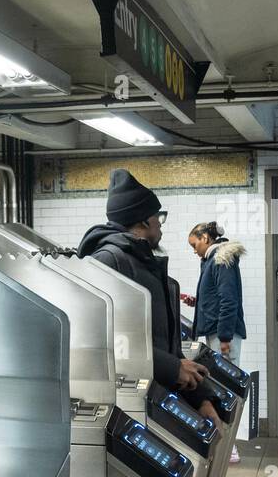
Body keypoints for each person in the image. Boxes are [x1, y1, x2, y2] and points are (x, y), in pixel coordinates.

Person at [77, 169, 220, 424]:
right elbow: (100, 340)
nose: (160, 224)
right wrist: (172, 368)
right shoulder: (108, 262)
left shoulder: (144, 263)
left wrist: (201, 397)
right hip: (131, 407)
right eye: (158, 217)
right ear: (143, 221)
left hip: (159, 394)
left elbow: (166, 344)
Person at [187, 220, 246, 463]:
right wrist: (197, 301)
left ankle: (230, 448)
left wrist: (223, 339)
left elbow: (229, 301)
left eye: (194, 244)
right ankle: (226, 446)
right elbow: (217, 297)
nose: (194, 250)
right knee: (220, 387)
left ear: (205, 238)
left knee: (226, 389)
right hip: (218, 332)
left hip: (224, 334)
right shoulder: (213, 260)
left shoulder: (222, 260)